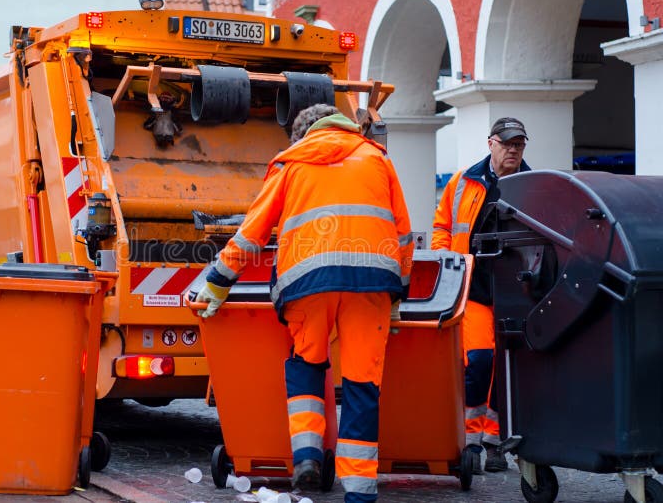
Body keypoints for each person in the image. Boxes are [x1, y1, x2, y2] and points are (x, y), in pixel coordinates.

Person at [195, 103, 414, 503]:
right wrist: (398, 292)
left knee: (308, 365)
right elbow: (403, 233)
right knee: (363, 385)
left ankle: (308, 458)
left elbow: (252, 232)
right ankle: (360, 493)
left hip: (307, 283)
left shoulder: (291, 162)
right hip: (372, 285)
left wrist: (217, 282)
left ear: (302, 136)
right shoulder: (377, 159)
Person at [431, 117, 530, 473]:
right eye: (507, 143)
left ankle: (494, 439)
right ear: (491, 143)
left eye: (519, 144)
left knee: (509, 366)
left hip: (516, 291)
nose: (513, 150)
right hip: (473, 288)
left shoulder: (533, 185)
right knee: (480, 359)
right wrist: (448, 263)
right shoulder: (464, 181)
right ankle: (471, 438)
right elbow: (443, 225)